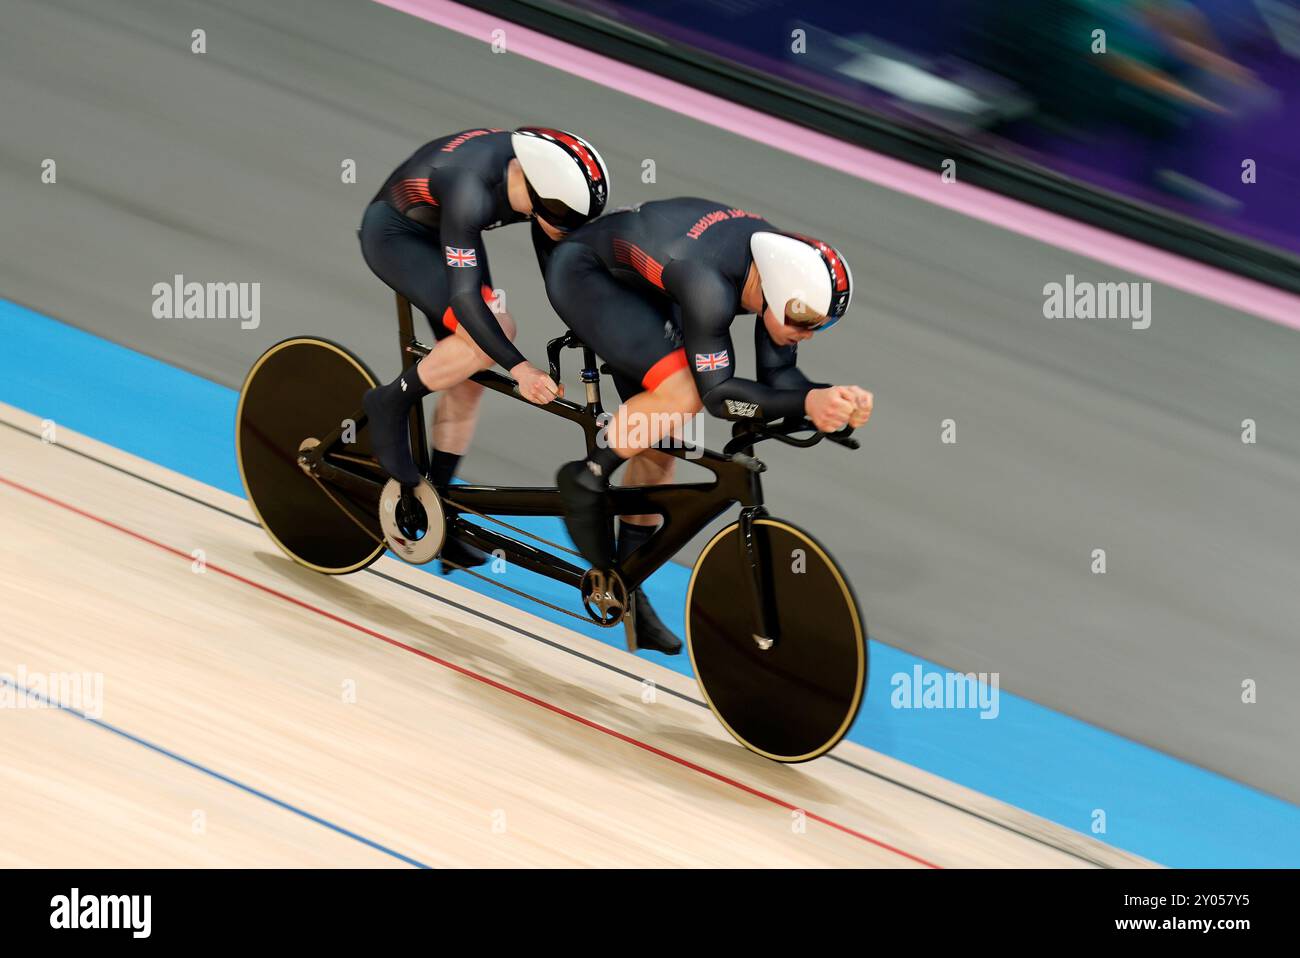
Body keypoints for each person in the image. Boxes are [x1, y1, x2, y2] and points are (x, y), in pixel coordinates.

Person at [544, 197, 873, 654]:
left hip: (652, 286)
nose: (808, 334)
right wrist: (807, 400)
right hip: (588, 275)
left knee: (662, 449)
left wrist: (829, 403)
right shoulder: (712, 285)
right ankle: (587, 476)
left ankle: (628, 590)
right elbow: (719, 397)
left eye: (821, 326)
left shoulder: (778, 273)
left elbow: (780, 379)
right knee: (686, 392)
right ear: (779, 291)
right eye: (804, 320)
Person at [359, 126, 611, 568]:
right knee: (499, 329)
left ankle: (437, 507)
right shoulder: (471, 189)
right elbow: (464, 299)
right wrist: (521, 369)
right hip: (397, 235)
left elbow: (559, 264)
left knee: (469, 380)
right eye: (569, 220)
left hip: (448, 233)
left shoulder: (535, 181)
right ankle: (390, 401)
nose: (573, 232)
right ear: (538, 196)